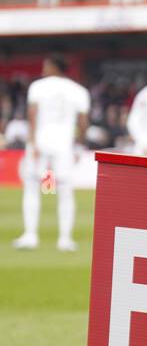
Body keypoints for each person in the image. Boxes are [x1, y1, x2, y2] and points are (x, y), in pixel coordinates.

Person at [13, 57, 89, 251]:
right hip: (64, 147)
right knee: (64, 190)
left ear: (54, 67)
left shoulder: (38, 87)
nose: (43, 68)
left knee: (32, 187)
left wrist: (32, 143)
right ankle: (65, 239)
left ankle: (30, 235)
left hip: (41, 144)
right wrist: (79, 147)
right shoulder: (78, 90)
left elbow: (32, 116)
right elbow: (82, 123)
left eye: (46, 65)